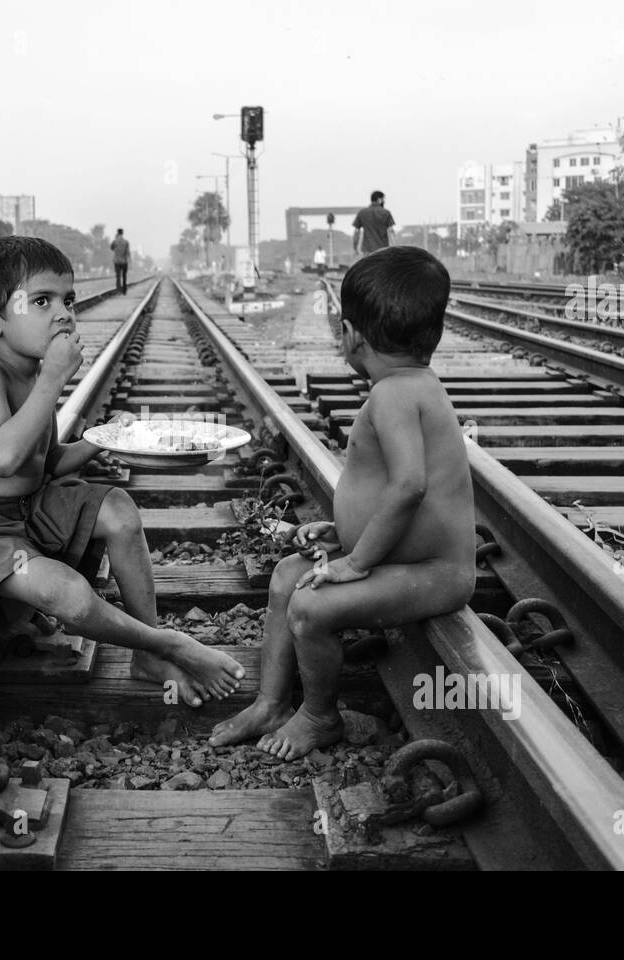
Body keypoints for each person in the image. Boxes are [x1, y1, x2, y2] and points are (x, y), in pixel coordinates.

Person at [0, 236, 244, 706]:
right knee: (72, 595)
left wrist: (101, 439)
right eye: (41, 301)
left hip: (22, 512)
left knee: (119, 509)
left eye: (68, 300)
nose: (64, 313)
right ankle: (167, 645)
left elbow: (42, 465)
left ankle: (146, 647)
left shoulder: (32, 374)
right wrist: (52, 380)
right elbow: (4, 459)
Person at [209, 246, 475, 759]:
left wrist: (355, 561)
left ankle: (319, 715)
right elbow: (394, 490)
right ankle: (270, 702)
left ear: (351, 334)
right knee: (289, 574)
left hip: (438, 572)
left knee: (309, 606)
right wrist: (342, 530)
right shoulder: (412, 384)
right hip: (410, 557)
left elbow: (409, 486)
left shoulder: (393, 395)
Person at [353, 191, 396, 258]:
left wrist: (355, 248)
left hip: (368, 252)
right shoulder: (386, 213)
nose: (384, 201)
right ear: (379, 199)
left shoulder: (362, 213)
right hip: (383, 251)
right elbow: (391, 231)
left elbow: (356, 232)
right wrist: (394, 249)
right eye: (383, 199)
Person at [110, 228, 130, 294]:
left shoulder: (115, 241)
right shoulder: (126, 242)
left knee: (118, 276)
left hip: (117, 261)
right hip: (124, 261)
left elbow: (111, 248)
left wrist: (115, 238)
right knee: (124, 276)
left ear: (117, 233)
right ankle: (124, 290)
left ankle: (118, 290)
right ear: (122, 233)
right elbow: (127, 252)